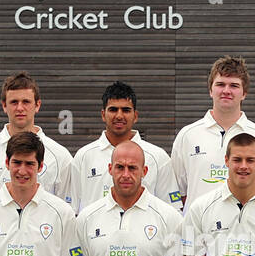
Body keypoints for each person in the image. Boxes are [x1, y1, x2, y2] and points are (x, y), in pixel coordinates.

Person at [171, 54, 255, 207]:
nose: (226, 91)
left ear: (244, 93)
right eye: (220, 84)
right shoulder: (187, 135)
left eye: (234, 86)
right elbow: (178, 192)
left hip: (247, 228)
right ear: (210, 90)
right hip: (200, 229)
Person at [70, 81, 182, 213]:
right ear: (103, 114)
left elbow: (172, 212)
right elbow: (74, 211)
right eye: (113, 109)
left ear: (135, 116)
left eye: (126, 110)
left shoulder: (158, 157)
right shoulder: (84, 157)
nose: (119, 115)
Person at [0, 71, 76, 206]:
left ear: (37, 105)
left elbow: (66, 209)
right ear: (4, 105)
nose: (20, 108)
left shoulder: (60, 155)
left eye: (26, 102)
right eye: (14, 102)